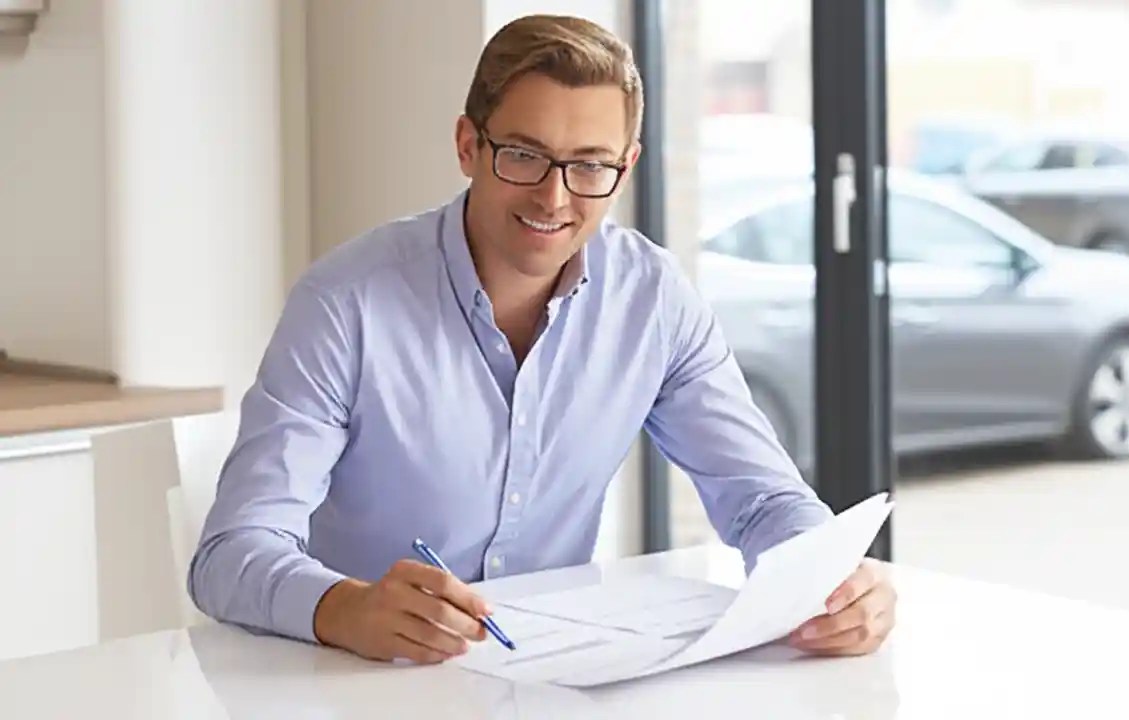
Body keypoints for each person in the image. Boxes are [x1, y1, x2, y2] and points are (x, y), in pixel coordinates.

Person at [188, 13, 896, 666]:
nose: (554, 198)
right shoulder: (347, 303)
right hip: (355, 682)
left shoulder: (652, 298)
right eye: (523, 156)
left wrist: (828, 579)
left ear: (627, 166)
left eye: (590, 165)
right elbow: (229, 555)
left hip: (555, 675)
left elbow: (762, 499)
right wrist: (346, 608)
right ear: (469, 145)